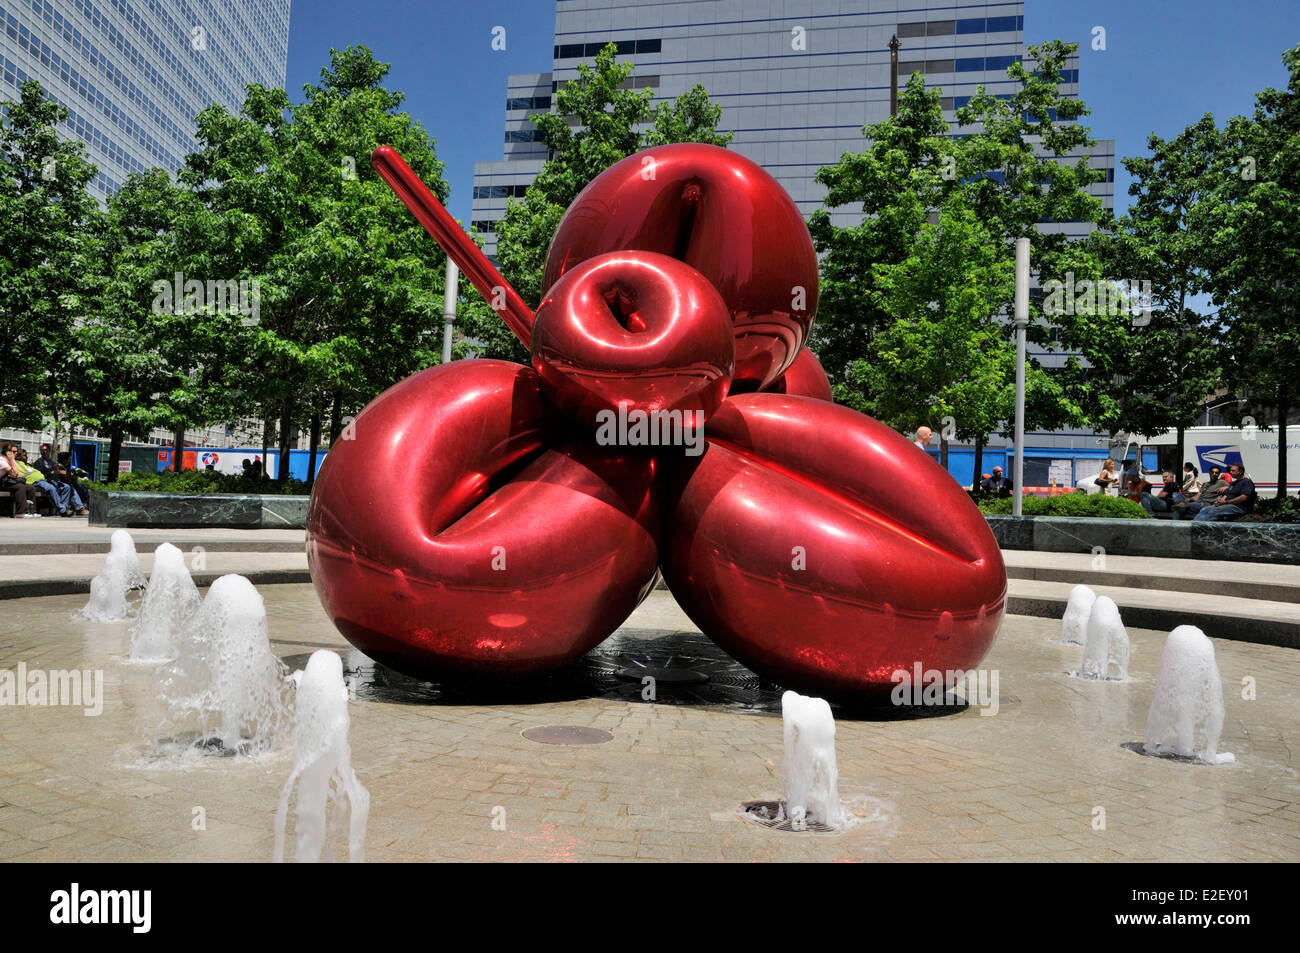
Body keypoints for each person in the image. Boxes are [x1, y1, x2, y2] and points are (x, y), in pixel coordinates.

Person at [14, 448, 75, 515]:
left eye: (26, 455)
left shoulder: (27, 465)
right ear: (18, 456)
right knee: (51, 488)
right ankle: (62, 510)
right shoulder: (15, 464)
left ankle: (63, 509)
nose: (27, 457)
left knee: (66, 487)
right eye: (24, 455)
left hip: (45, 480)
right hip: (36, 482)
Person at [0, 443, 35, 517]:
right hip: (2, 483)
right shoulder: (1, 461)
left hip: (7, 482)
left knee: (30, 487)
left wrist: (12, 461)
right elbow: (14, 473)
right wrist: (12, 460)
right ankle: (20, 513)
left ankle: (31, 511)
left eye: (16, 451)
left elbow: (18, 475)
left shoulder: (11, 461)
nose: (16, 453)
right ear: (7, 452)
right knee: (20, 487)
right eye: (14, 451)